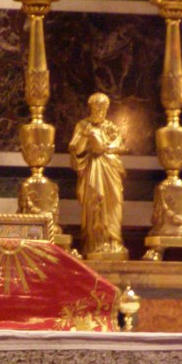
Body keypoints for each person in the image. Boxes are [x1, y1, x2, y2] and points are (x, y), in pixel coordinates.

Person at [67, 92, 128, 259]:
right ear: (91, 107)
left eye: (103, 107)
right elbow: (74, 148)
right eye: (96, 107)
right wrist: (87, 138)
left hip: (110, 168)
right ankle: (94, 242)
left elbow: (122, 147)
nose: (100, 110)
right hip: (92, 170)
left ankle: (113, 240)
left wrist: (106, 149)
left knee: (114, 201)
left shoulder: (111, 127)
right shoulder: (83, 126)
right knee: (95, 200)